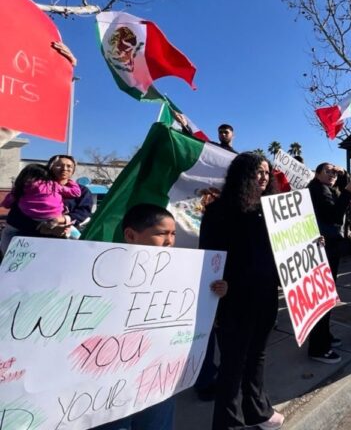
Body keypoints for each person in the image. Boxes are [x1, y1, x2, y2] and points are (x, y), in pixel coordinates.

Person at [94, 203, 227, 430]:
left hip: (159, 380)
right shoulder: (102, 271)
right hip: (109, 386)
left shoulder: (180, 269)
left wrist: (215, 292)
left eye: (173, 234)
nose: (169, 241)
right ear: (130, 235)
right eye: (161, 234)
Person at [198, 152, 284, 430]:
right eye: (257, 172)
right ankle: (228, 423)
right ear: (241, 174)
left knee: (257, 355)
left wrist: (309, 242)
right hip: (233, 298)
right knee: (232, 364)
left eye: (266, 173)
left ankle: (258, 411)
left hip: (266, 294)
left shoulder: (274, 210)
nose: (263, 177)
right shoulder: (218, 210)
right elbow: (208, 256)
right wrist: (215, 294)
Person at [306, 162, 351, 363]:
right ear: (317, 173)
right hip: (324, 249)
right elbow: (334, 217)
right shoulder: (319, 190)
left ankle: (324, 336)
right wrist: (347, 193)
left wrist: (343, 175)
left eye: (334, 172)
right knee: (322, 297)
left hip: (327, 247)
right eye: (327, 171)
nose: (332, 174)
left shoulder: (323, 188)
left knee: (326, 296)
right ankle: (318, 347)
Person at [0, 163, 81, 253]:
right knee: (74, 234)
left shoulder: (21, 188)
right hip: (53, 218)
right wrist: (70, 181)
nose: (64, 169)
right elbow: (76, 192)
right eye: (58, 165)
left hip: (29, 217)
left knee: (9, 233)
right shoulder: (53, 185)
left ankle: (6, 254)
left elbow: (7, 204)